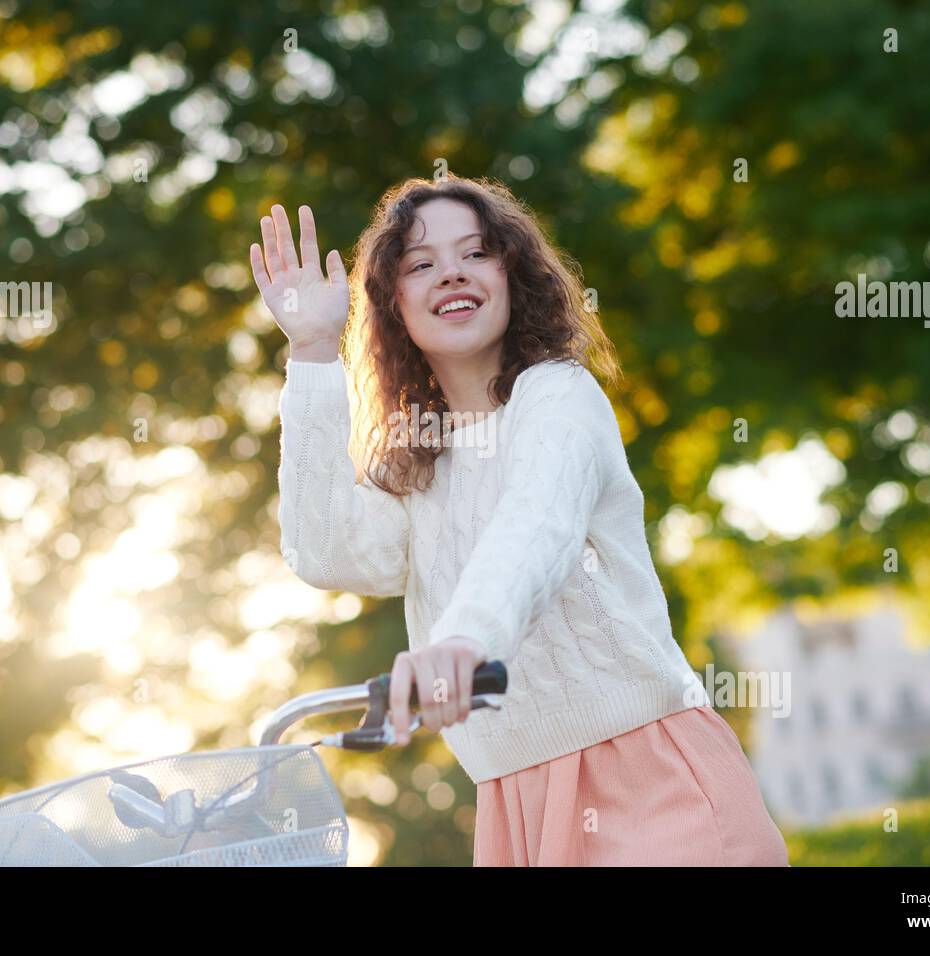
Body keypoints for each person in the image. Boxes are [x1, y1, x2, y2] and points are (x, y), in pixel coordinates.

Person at [249, 175, 788, 866]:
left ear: (512, 273)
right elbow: (324, 551)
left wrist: (464, 642)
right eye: (420, 264)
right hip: (512, 801)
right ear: (392, 305)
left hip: (649, 775)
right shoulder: (422, 463)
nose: (451, 271)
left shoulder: (559, 396)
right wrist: (315, 351)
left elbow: (537, 527)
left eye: (477, 253)